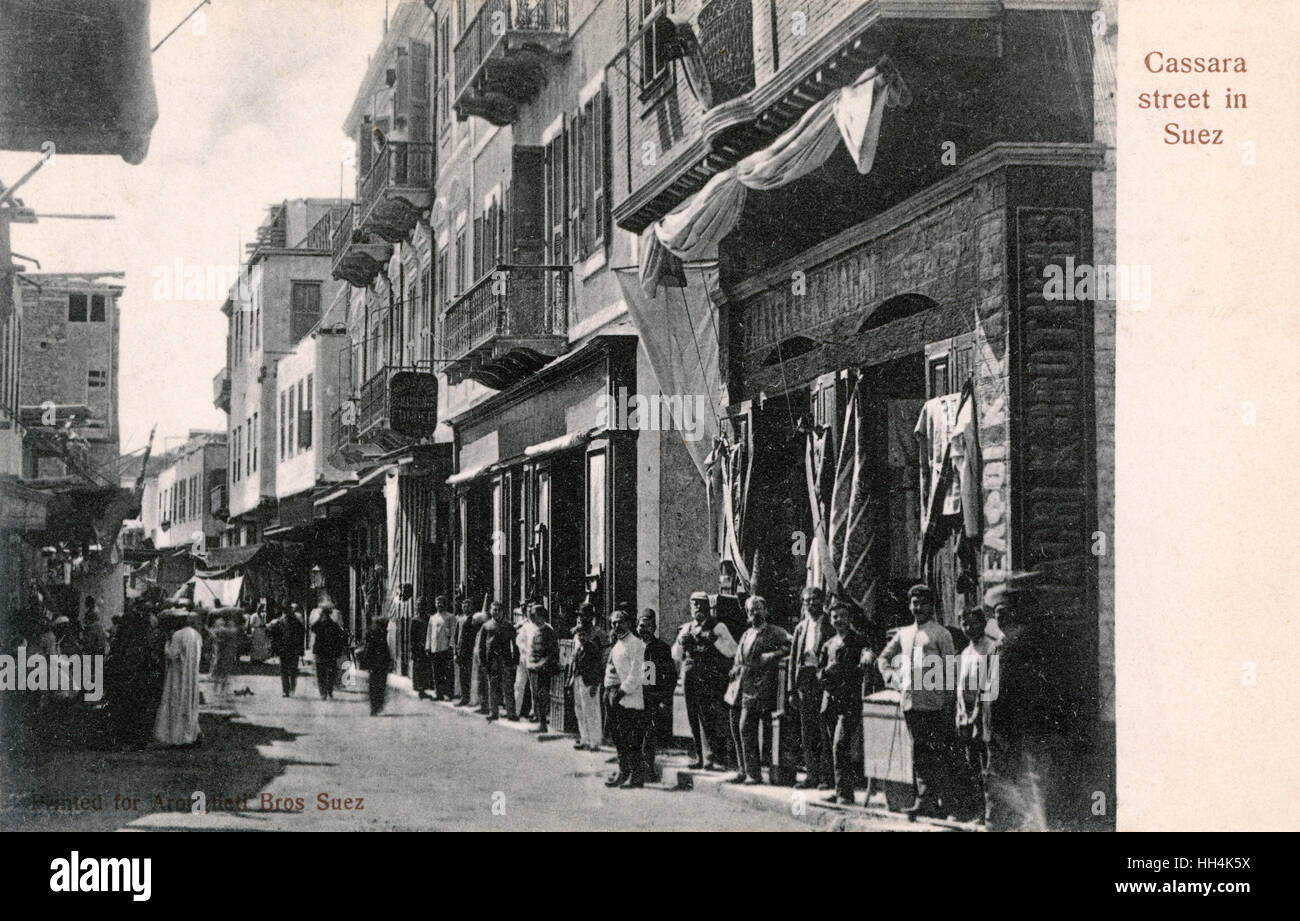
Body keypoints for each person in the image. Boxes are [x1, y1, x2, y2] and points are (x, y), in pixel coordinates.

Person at [877, 583, 957, 818]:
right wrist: (891, 676)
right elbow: (883, 658)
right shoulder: (903, 634)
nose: (918, 607)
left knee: (939, 754)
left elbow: (950, 671)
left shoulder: (941, 634)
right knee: (920, 754)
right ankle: (925, 801)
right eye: (914, 603)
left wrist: (949, 702)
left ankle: (946, 804)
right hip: (912, 703)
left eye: (922, 603)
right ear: (909, 605)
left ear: (931, 606)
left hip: (936, 704)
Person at [725, 595, 791, 785]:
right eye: (751, 610)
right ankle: (743, 769)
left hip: (760, 686)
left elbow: (791, 644)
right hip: (740, 685)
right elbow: (739, 657)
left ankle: (754, 773)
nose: (754, 613)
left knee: (747, 727)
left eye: (758, 608)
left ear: (766, 610)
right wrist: (734, 669)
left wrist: (774, 654)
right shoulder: (746, 634)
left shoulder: (775, 632)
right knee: (736, 725)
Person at [672, 591, 736, 770]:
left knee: (710, 717)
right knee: (693, 716)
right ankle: (700, 756)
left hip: (710, 676)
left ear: (708, 606)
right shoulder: (686, 628)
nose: (697, 607)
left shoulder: (718, 627)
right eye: (694, 604)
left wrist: (714, 640)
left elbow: (732, 651)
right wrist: (681, 643)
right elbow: (676, 655)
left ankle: (714, 757)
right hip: (690, 675)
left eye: (701, 603)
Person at [818, 601, 868, 804]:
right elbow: (819, 671)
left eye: (842, 616)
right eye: (834, 616)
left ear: (849, 618)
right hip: (830, 701)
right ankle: (840, 790)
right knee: (833, 745)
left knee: (841, 744)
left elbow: (867, 654)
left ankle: (845, 794)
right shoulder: (828, 644)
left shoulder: (857, 641)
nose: (838, 620)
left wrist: (866, 657)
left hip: (849, 701)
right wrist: (825, 673)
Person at [787, 586, 834, 790]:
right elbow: (792, 660)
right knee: (807, 731)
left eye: (815, 600)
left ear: (822, 602)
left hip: (822, 680)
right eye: (807, 601)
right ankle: (811, 775)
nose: (811, 604)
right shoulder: (800, 628)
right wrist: (791, 690)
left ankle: (826, 777)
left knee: (824, 730)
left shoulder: (830, 625)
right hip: (804, 681)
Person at [956, 605, 999, 822]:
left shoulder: (991, 648)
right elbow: (961, 688)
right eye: (964, 623)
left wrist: (976, 715)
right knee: (971, 765)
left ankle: (991, 813)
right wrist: (962, 715)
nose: (968, 627)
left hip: (984, 716)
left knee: (986, 766)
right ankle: (977, 811)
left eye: (972, 622)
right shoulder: (965, 652)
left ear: (982, 623)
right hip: (967, 717)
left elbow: (988, 685)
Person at [106, 604, 164, 750]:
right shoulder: (144, 640)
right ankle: (138, 739)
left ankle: (127, 738)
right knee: (138, 711)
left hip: (127, 681)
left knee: (127, 710)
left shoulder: (124, 640)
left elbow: (116, 658)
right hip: (139, 682)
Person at [603, 608, 647, 789]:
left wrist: (620, 692)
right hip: (613, 695)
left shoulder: (636, 644)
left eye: (620, 622)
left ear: (628, 623)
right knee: (619, 739)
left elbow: (637, 674)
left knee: (631, 739)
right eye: (613, 623)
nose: (616, 626)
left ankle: (636, 776)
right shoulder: (618, 643)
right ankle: (624, 772)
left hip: (627, 698)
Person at [154, 612, 203, 747]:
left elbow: (171, 654)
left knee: (176, 703)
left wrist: (167, 643)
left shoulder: (177, 635)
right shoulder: (197, 635)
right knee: (189, 704)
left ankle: (178, 736)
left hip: (177, 675)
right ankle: (191, 734)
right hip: (191, 675)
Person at [638, 608, 676, 779]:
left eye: (647, 626)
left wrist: (665, 699)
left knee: (648, 733)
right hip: (633, 696)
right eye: (640, 626)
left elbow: (670, 677)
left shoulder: (661, 648)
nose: (643, 630)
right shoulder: (633, 646)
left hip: (651, 697)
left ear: (653, 628)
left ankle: (647, 769)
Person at [568, 604, 607, 750]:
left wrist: (599, 679)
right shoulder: (577, 633)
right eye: (580, 615)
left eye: (584, 615)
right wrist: (571, 675)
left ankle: (595, 740)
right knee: (579, 708)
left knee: (592, 708)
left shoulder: (598, 634)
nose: (581, 618)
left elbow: (602, 658)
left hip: (591, 676)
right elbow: (574, 656)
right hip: (578, 675)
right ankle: (584, 738)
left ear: (591, 617)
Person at [478, 602, 517, 721]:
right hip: (492, 660)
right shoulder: (486, 626)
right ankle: (493, 712)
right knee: (493, 686)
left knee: (508, 687)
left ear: (503, 611)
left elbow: (515, 645)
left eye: (498, 610)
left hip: (505, 659)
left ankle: (511, 713)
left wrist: (515, 660)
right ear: (490, 611)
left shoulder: (508, 626)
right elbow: (481, 646)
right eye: (494, 610)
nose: (496, 612)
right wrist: (483, 662)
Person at [525, 603, 559, 733]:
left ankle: (543, 724)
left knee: (542, 696)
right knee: (536, 696)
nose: (532, 618)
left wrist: (542, 664)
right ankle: (540, 722)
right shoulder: (533, 629)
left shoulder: (548, 631)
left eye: (534, 615)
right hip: (532, 667)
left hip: (542, 670)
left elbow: (553, 652)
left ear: (541, 616)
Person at [268, 604, 306, 697]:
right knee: (285, 670)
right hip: (286, 650)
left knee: (290, 670)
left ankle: (290, 688)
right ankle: (287, 690)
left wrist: (301, 650)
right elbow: (273, 635)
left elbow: (301, 637)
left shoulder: (296, 623)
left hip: (291, 650)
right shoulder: (280, 622)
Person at [312, 605, 348, 700]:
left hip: (322, 652)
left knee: (322, 673)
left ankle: (324, 692)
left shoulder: (322, 623)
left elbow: (312, 628)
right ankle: (328, 690)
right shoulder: (333, 624)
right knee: (330, 672)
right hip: (329, 652)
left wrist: (319, 618)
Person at [359, 617, 393, 716]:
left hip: (376, 664)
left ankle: (375, 707)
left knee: (375, 686)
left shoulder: (375, 633)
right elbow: (377, 649)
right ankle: (377, 707)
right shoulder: (378, 634)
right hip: (379, 664)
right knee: (379, 686)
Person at [428, 595, 456, 700]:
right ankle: (438, 693)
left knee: (447, 672)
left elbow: (453, 632)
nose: (439, 605)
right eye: (437, 603)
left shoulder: (450, 617)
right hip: (435, 648)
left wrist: (451, 645)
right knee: (436, 672)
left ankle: (448, 693)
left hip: (445, 648)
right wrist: (428, 647)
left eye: (441, 602)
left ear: (445, 604)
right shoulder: (432, 618)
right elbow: (429, 633)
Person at [453, 599, 480, 707]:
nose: (466, 608)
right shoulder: (459, 619)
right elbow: (456, 636)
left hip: (470, 651)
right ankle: (464, 697)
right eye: (464, 606)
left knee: (470, 676)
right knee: (462, 676)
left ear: (472, 607)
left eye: (468, 606)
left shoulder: (474, 620)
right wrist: (455, 651)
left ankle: (471, 698)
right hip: (461, 651)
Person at [514, 606, 537, 719]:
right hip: (523, 658)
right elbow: (518, 640)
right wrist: (524, 648)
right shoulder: (525, 625)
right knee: (519, 684)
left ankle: (534, 712)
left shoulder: (541, 627)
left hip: (534, 660)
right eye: (528, 612)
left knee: (534, 688)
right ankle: (515, 711)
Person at [210, 612, 240, 698]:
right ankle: (222, 690)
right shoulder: (231, 628)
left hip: (220, 651)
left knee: (218, 671)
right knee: (225, 672)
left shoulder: (220, 627)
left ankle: (216, 689)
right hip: (227, 652)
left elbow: (214, 636)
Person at [410, 598, 433, 700]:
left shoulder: (429, 619)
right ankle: (420, 689)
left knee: (426, 668)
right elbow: (412, 636)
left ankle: (424, 688)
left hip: (427, 646)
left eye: (422, 605)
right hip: (418, 648)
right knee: (418, 668)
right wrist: (413, 648)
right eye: (418, 605)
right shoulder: (414, 620)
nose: (420, 607)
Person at [248, 599, 271, 663]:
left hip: (261, 632)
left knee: (261, 645)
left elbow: (264, 623)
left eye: (261, 608)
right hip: (256, 631)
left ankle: (259, 659)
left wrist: (264, 626)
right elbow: (251, 624)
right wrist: (258, 625)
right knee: (255, 645)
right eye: (259, 608)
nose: (260, 610)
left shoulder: (262, 616)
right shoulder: (253, 616)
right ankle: (254, 659)